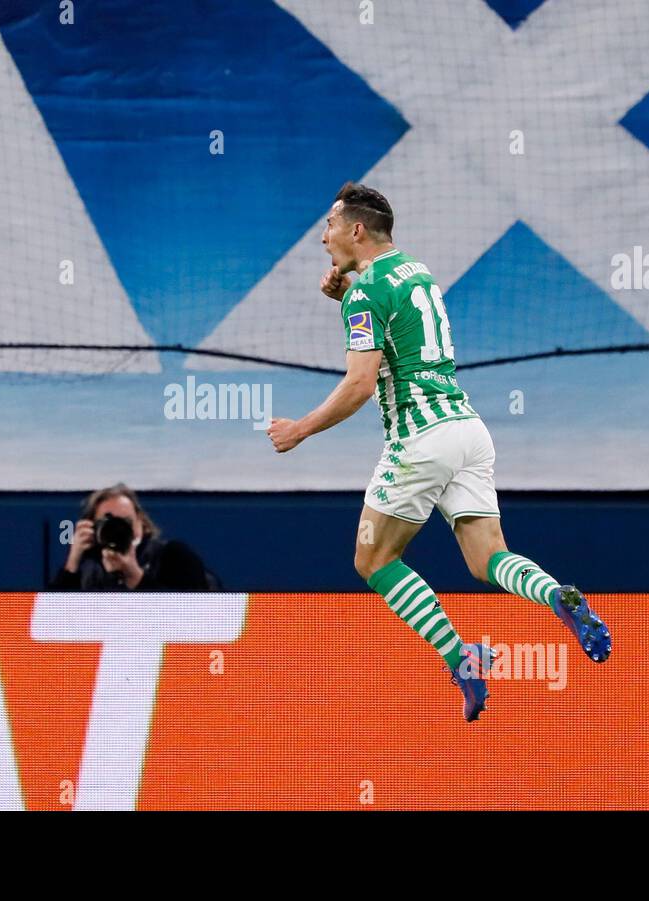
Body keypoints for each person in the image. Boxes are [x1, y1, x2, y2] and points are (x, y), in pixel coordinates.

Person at [266, 182, 611, 722]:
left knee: (373, 560)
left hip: (420, 439)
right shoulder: (416, 272)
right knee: (487, 560)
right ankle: (555, 595)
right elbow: (392, 309)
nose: (322, 238)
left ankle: (460, 657)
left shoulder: (364, 294)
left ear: (356, 230)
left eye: (329, 227)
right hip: (467, 430)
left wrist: (301, 429)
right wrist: (351, 284)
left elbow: (359, 385)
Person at [49, 483, 215, 591]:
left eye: (126, 522)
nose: (120, 529)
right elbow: (51, 622)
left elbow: (196, 618)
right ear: (94, 528)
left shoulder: (173, 555)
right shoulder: (88, 568)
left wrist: (134, 575)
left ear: (142, 522)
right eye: (109, 523)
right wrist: (72, 562)